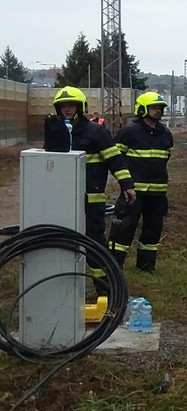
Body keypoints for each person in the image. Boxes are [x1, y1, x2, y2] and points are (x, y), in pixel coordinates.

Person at [43, 86, 136, 294]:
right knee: (62, 241)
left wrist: (127, 185)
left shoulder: (95, 131)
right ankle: (61, 291)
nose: (67, 109)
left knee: (95, 245)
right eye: (63, 106)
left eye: (71, 105)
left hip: (90, 200)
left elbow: (114, 159)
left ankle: (106, 290)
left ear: (80, 107)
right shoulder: (55, 133)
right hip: (62, 199)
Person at [110, 91, 174, 273]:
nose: (158, 111)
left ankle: (146, 266)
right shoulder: (129, 132)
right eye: (154, 108)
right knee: (124, 228)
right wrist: (126, 183)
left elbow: (165, 157)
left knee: (153, 230)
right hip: (133, 191)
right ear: (143, 109)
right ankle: (115, 265)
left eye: (160, 108)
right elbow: (116, 159)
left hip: (158, 192)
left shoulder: (165, 133)